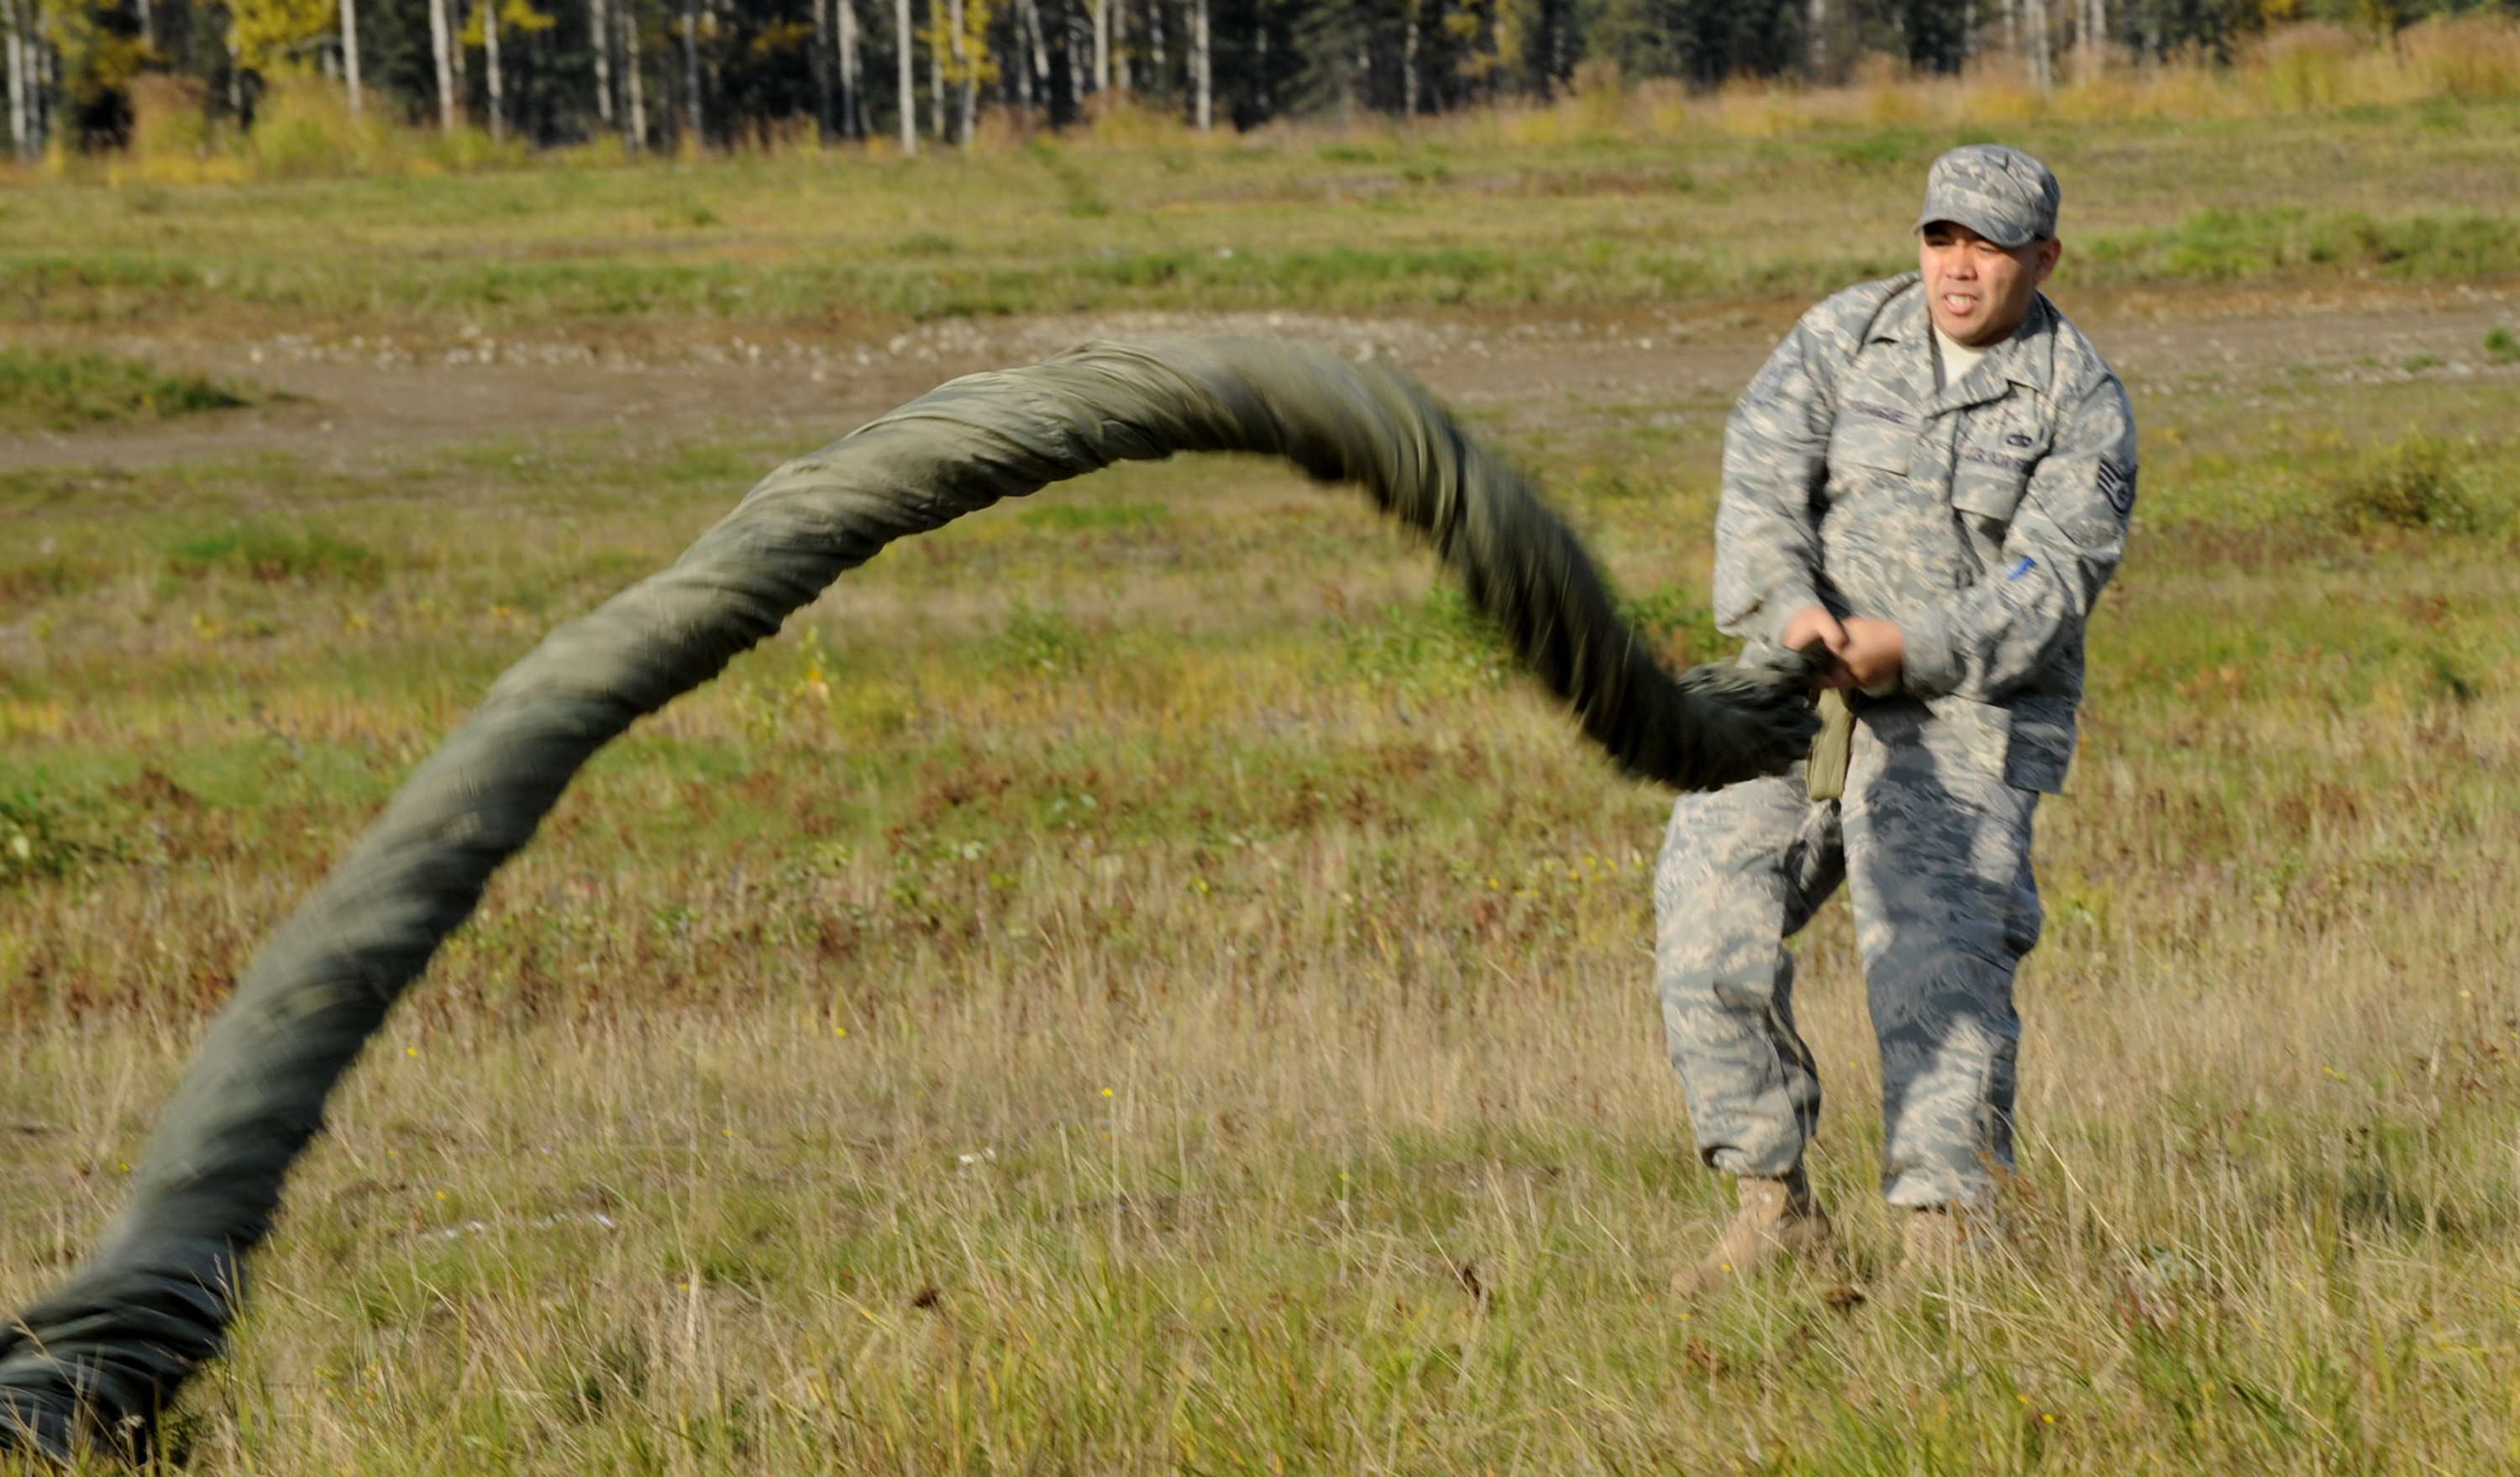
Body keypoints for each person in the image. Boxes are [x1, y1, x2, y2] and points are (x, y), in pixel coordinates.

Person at [1656, 145, 2138, 1294]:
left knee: (1932, 972)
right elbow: (1759, 480)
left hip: (1964, 719)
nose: (1959, 267)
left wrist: (1908, 646)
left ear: (2043, 257)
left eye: (1988, 245)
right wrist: (1790, 613)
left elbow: (2050, 586)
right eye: (1941, 239)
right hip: (1798, 688)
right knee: (1702, 930)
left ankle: (1950, 1242)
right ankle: (1774, 1206)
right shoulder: (1841, 336)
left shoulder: (2081, 401)